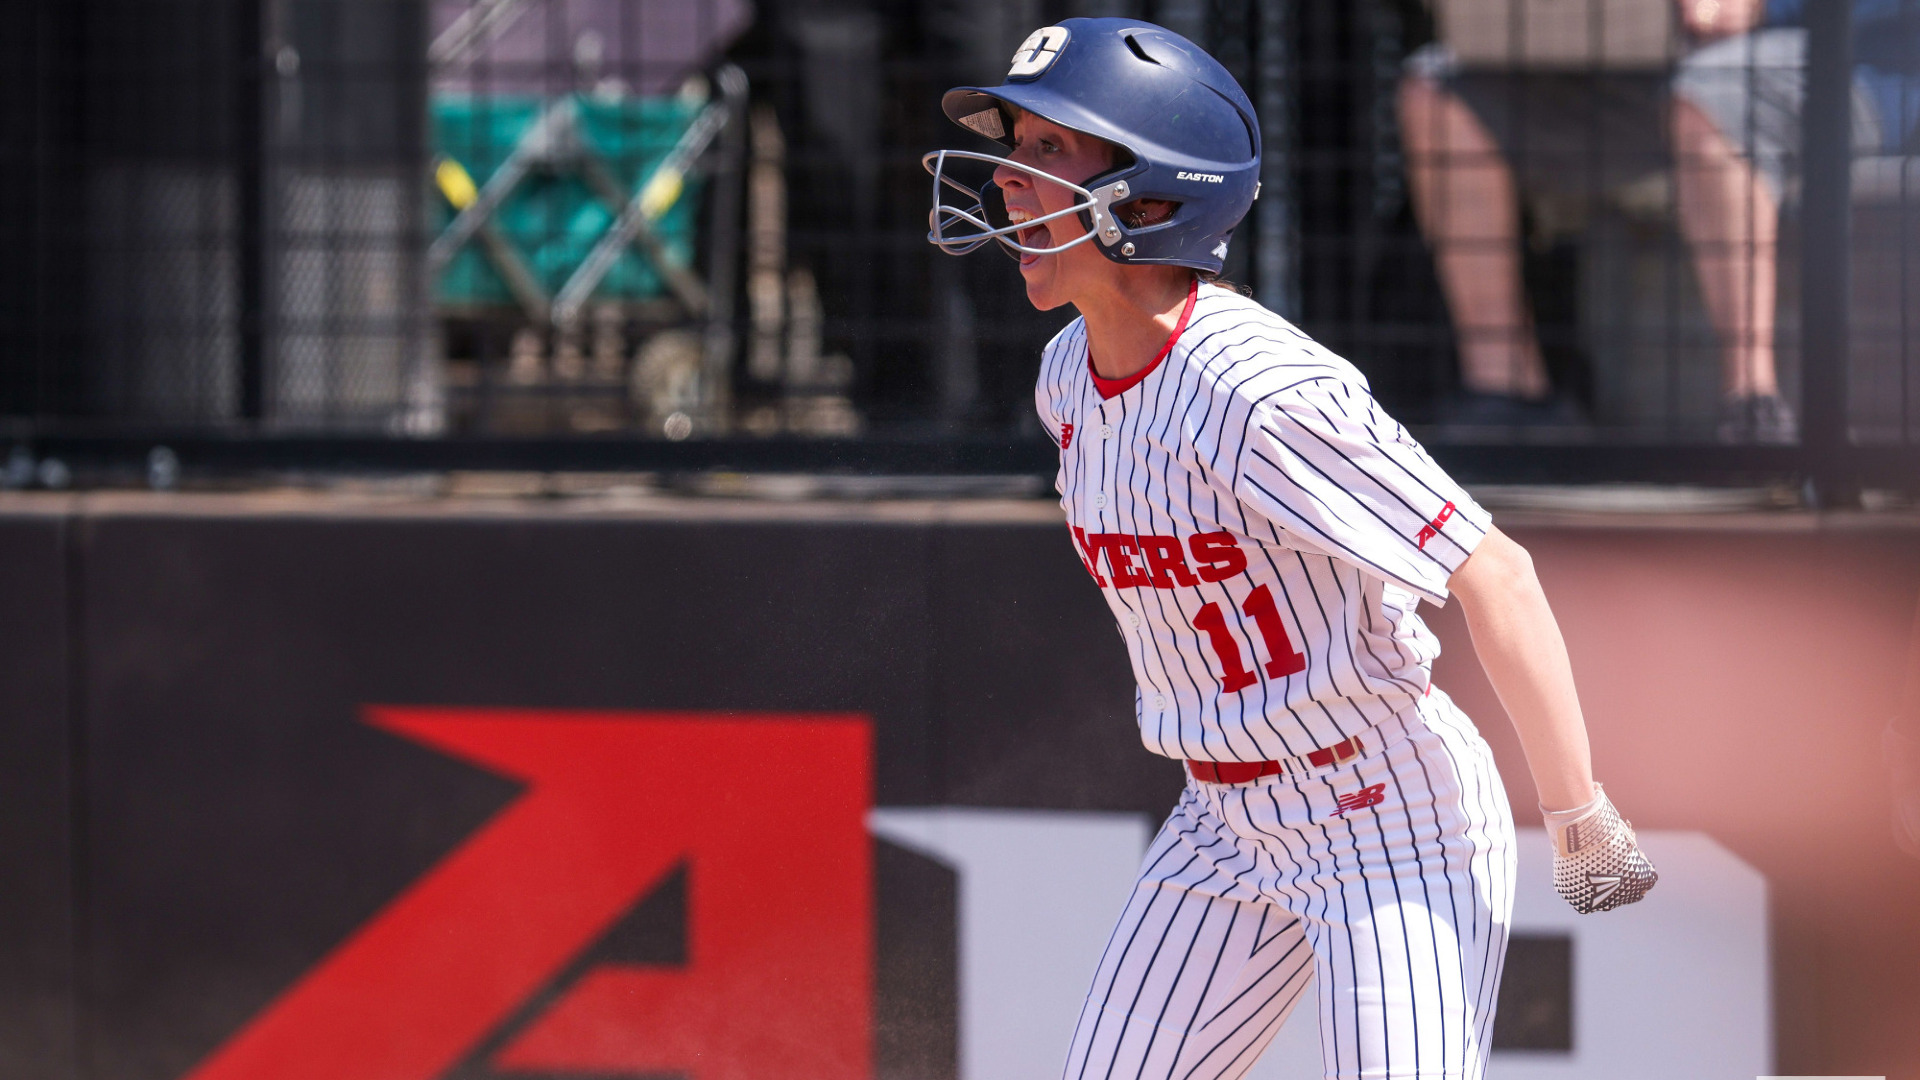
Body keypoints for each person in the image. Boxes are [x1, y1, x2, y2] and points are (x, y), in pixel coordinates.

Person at [926, 19, 1657, 1080]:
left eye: (1048, 151)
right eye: (1016, 149)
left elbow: (1496, 573)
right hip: (1224, 821)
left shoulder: (1263, 389)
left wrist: (1577, 810)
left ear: (1154, 194)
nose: (1007, 183)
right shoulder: (1065, 377)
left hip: (1390, 818)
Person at [1398, 0, 1800, 440]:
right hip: (1597, 63)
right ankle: (1508, 394)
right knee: (1432, 86)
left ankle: (1752, 403)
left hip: (1784, 52)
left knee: (1710, 89)